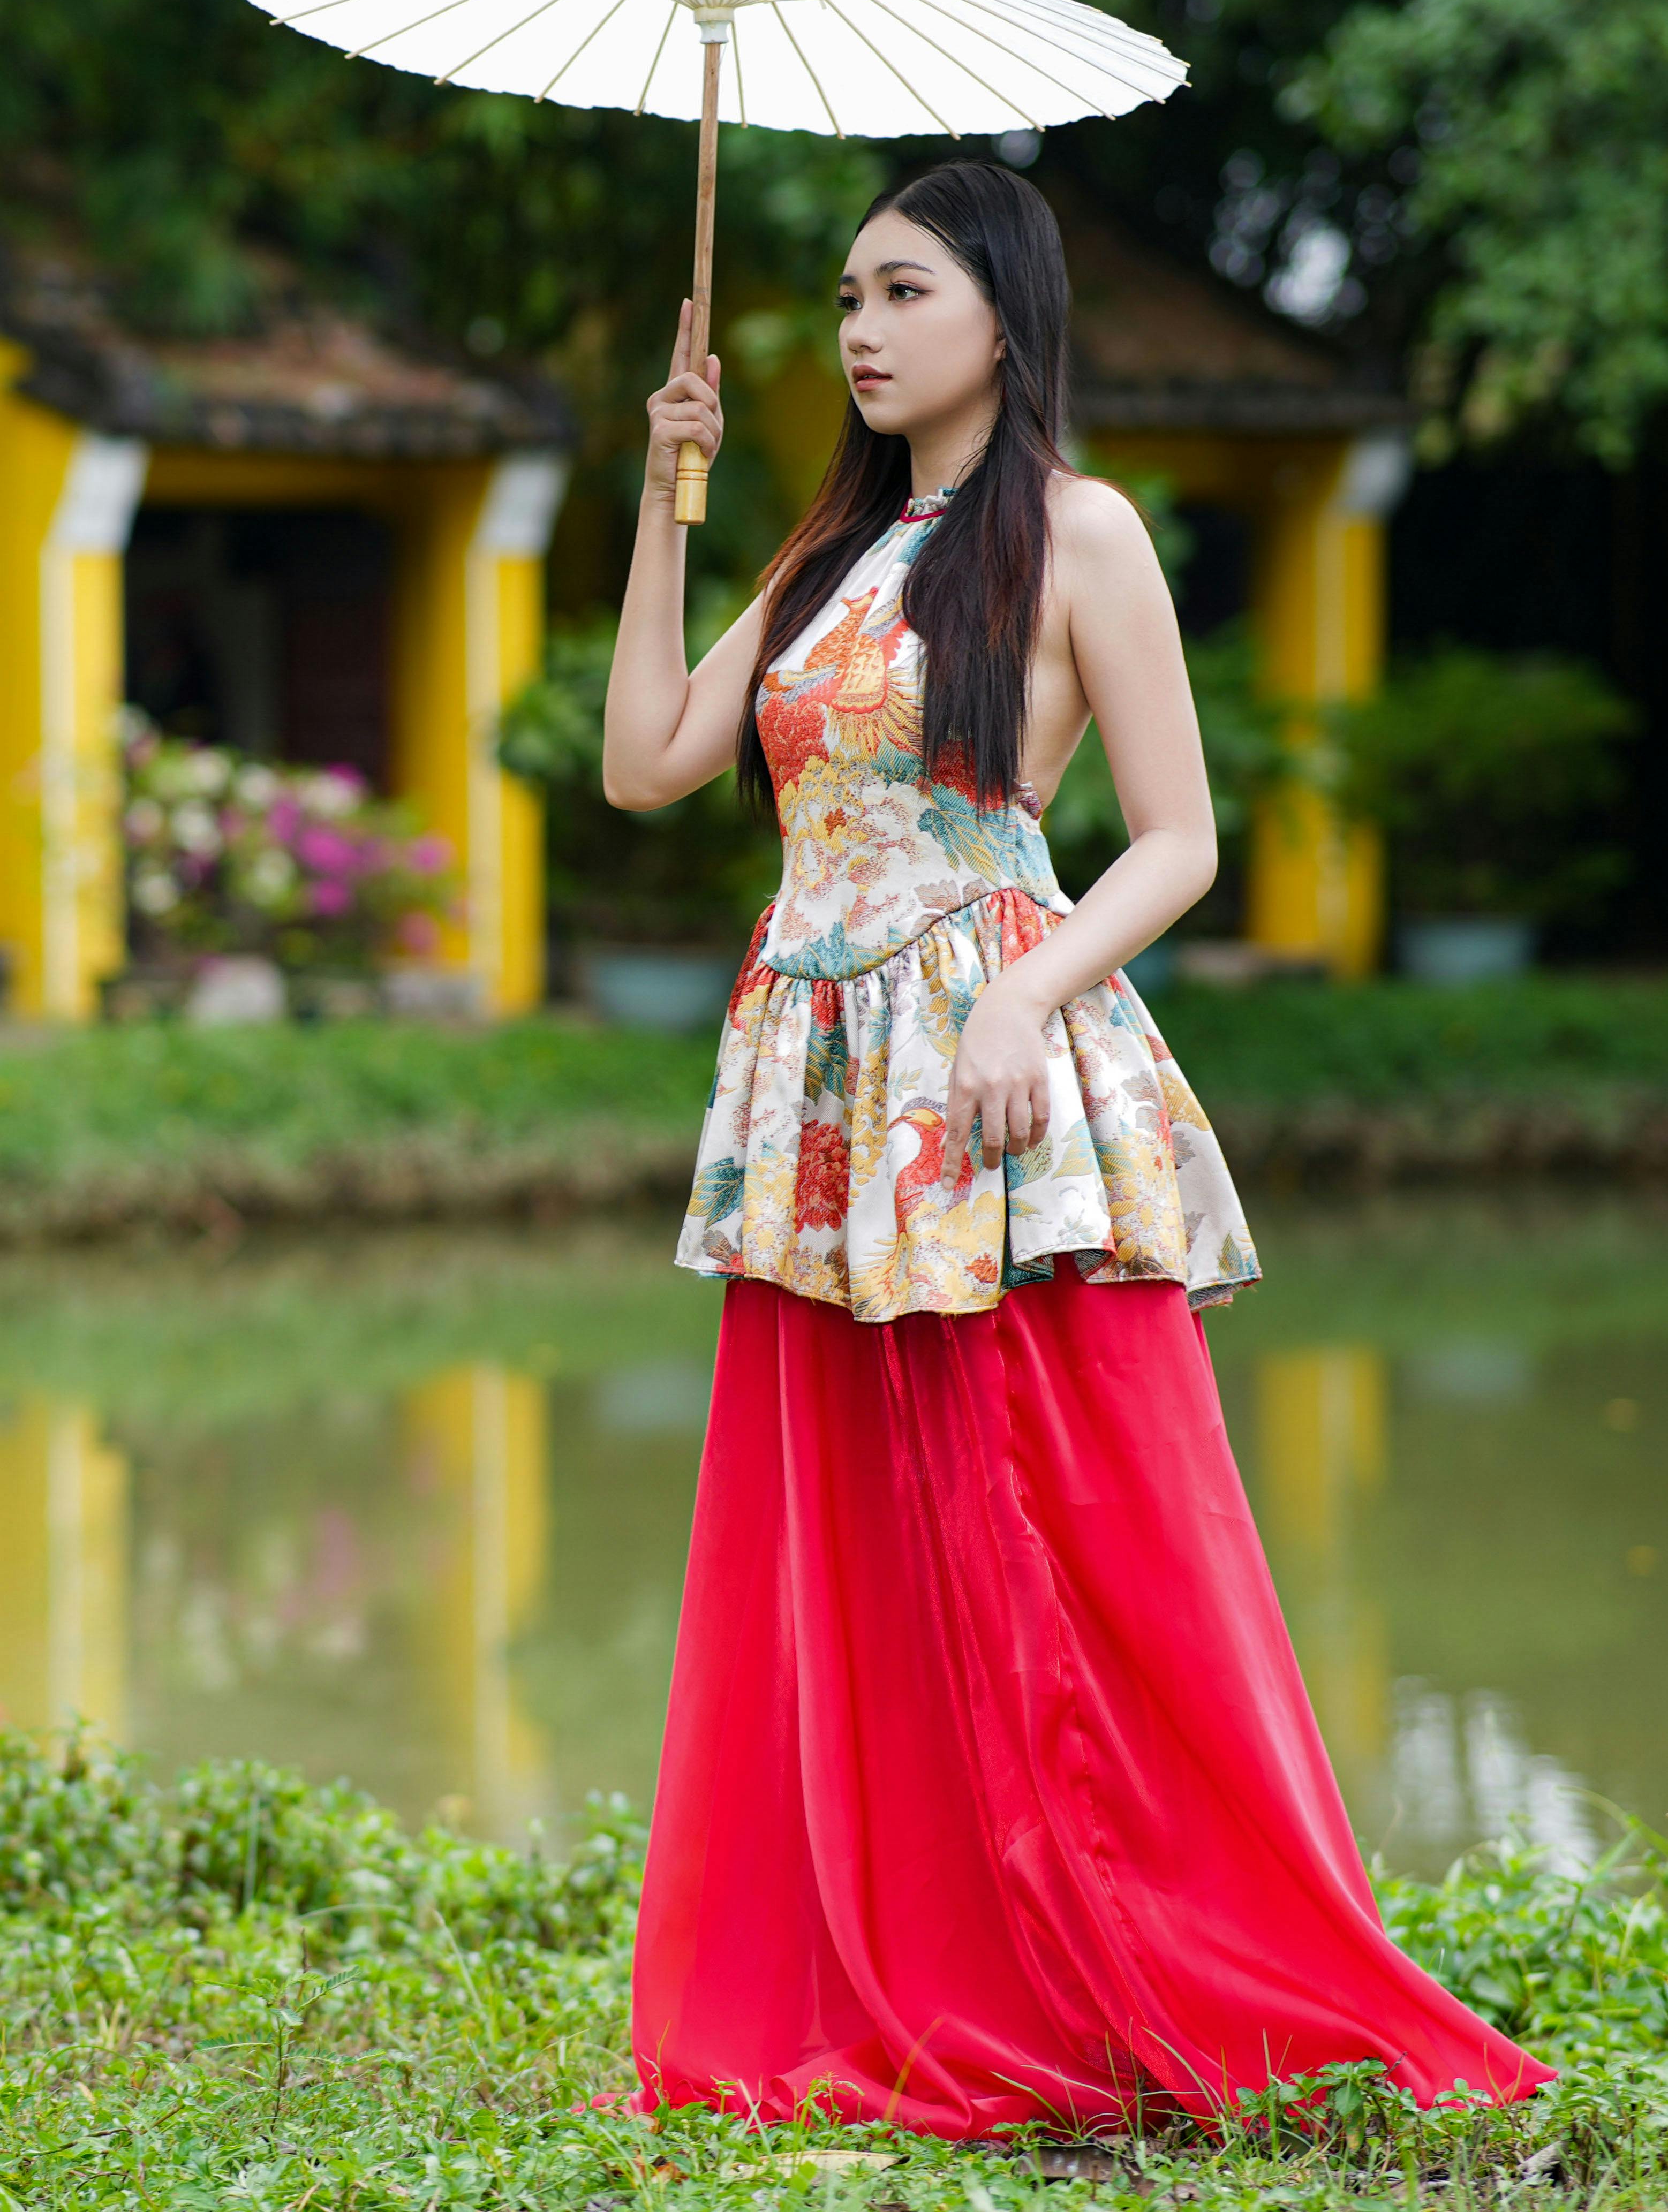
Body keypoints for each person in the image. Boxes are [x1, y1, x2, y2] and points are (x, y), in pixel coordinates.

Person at [601, 162, 1552, 2137]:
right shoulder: (819, 554)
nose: (861, 328)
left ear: (1004, 319)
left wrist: (1024, 1001)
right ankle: (901, 1956)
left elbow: (1182, 840)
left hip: (998, 1060)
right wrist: (664, 497)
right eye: (848, 295)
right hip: (824, 1085)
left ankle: (1126, 1943)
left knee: (1059, 1516)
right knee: (851, 1525)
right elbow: (647, 765)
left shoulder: (1080, 535)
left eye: (904, 290)